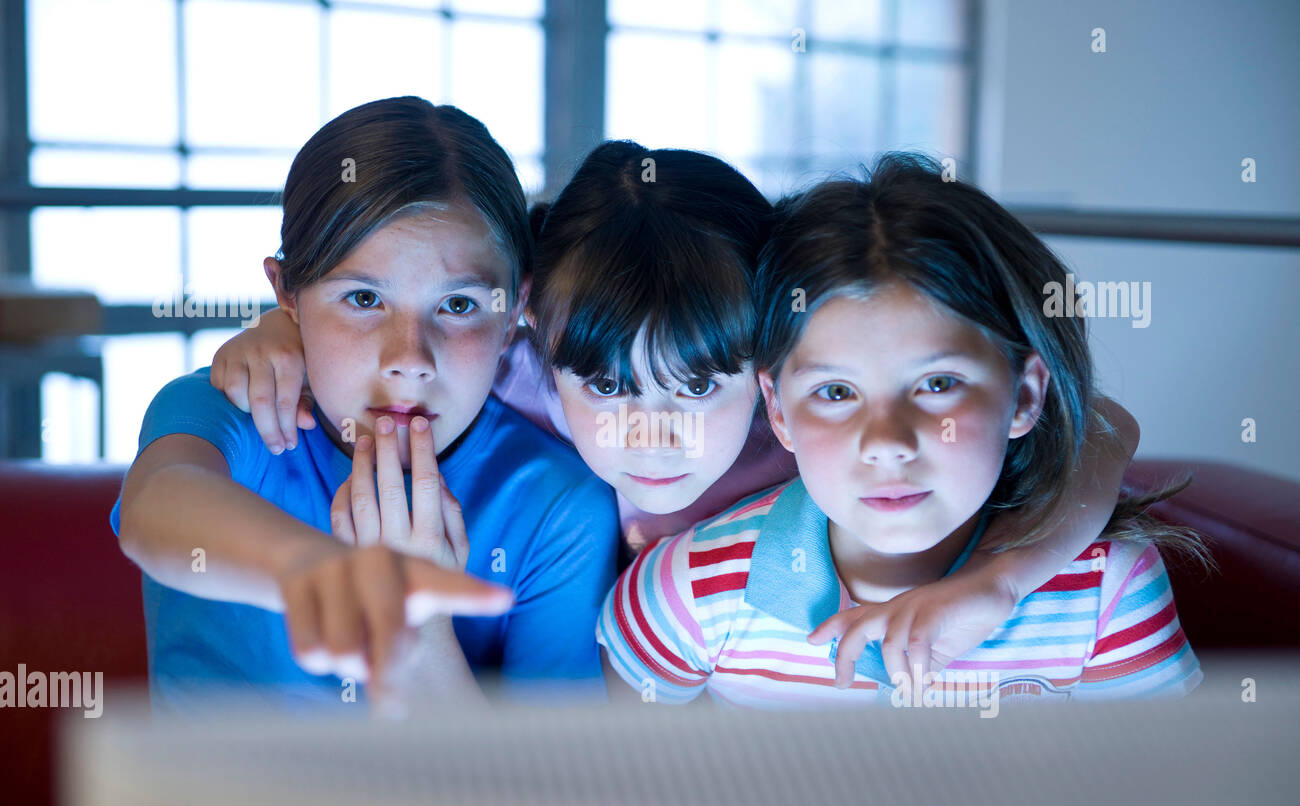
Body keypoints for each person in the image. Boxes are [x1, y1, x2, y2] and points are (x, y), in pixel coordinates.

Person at [211, 141, 1142, 686]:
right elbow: (417, 312)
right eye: (610, 391)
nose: (651, 431)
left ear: (771, 371)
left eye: (701, 387)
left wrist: (1009, 577)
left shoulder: (820, 428)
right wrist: (281, 326)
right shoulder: (520, 365)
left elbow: (1097, 426)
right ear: (533, 324)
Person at [595, 152, 1205, 709]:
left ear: (1023, 395)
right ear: (777, 411)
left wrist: (998, 584)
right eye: (835, 393)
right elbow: (631, 800)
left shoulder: (1105, 596)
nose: (887, 441)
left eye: (938, 385)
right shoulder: (685, 594)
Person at [111, 97, 618, 712]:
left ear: (514, 310)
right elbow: (155, 504)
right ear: (287, 295)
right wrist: (309, 568)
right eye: (362, 299)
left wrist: (422, 625)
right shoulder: (234, 410)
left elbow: (544, 795)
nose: (409, 356)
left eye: (458, 305)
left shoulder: (558, 504)